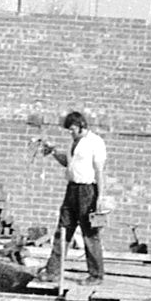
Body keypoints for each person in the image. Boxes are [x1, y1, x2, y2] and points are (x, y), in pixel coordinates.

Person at [38, 110, 107, 283]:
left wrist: (100, 197)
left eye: (72, 129)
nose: (70, 132)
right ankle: (53, 271)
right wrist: (53, 152)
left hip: (88, 190)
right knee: (63, 229)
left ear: (81, 125)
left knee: (89, 233)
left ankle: (96, 275)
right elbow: (68, 163)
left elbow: (99, 171)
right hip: (72, 189)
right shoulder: (74, 143)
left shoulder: (95, 142)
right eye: (69, 130)